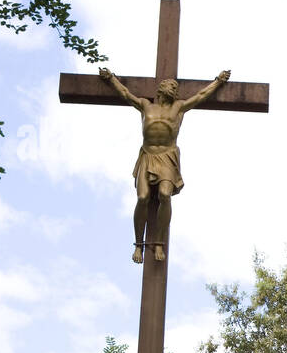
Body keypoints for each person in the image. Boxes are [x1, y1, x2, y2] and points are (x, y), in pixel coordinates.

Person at [98, 66, 230, 263]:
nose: (173, 88)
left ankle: (158, 243)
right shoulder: (145, 105)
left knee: (165, 195)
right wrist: (110, 79)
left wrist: (218, 81)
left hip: (167, 155)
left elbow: (201, 95)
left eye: (175, 87)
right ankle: (138, 245)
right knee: (143, 197)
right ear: (160, 89)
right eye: (169, 86)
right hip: (147, 155)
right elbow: (125, 93)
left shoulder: (179, 107)